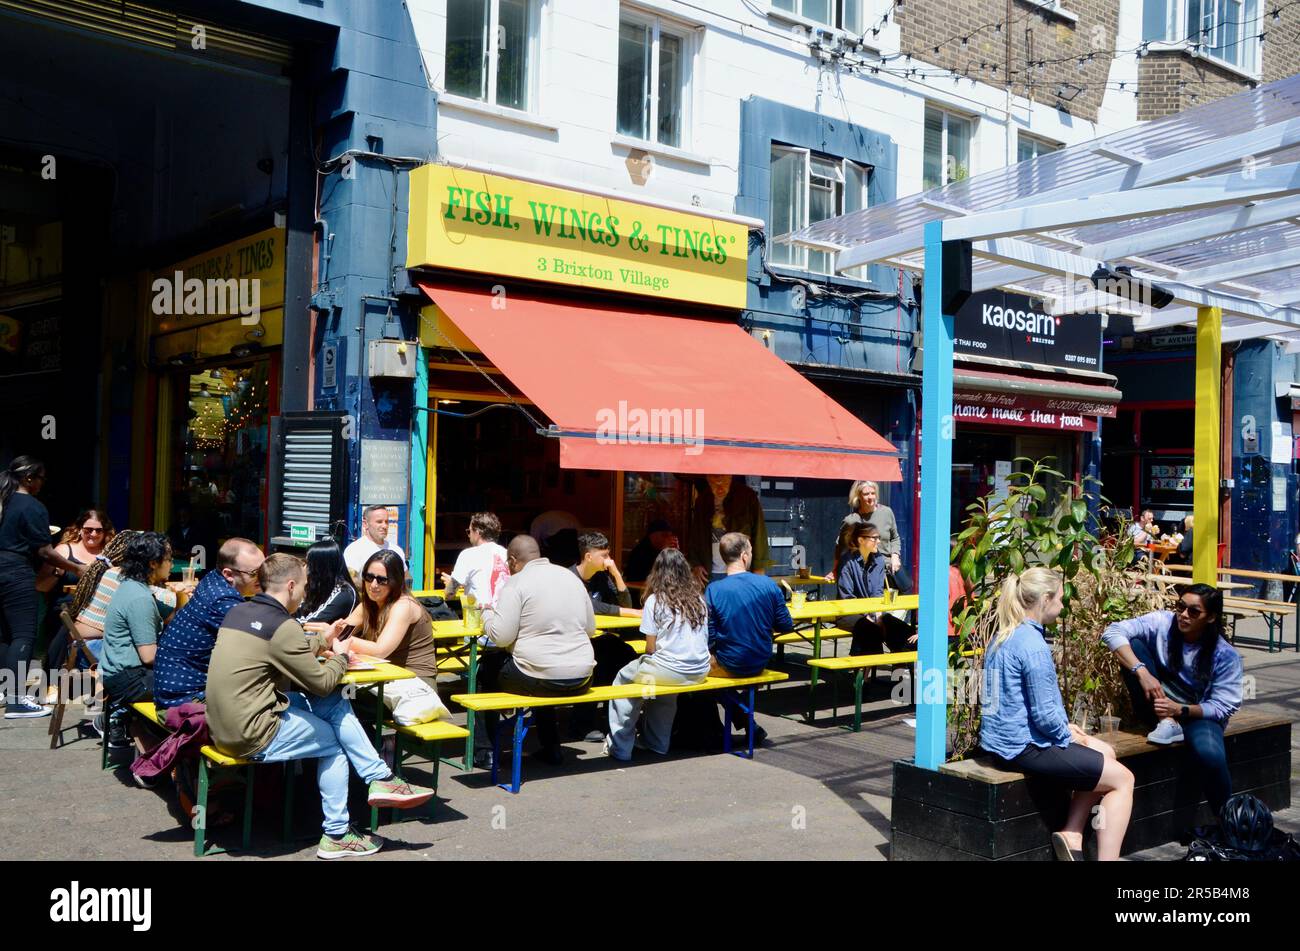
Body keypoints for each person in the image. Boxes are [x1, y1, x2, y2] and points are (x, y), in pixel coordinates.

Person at [204, 553, 435, 859]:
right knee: (334, 740)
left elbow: (292, 650)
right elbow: (323, 680)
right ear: (289, 586)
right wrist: (339, 654)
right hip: (250, 732)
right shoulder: (282, 626)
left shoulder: (239, 612)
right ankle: (339, 833)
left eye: (382, 579)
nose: (306, 592)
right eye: (304, 585)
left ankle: (381, 779)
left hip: (221, 724)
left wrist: (325, 639)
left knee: (333, 702)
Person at [979, 567, 1134, 861]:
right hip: (1024, 747)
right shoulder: (1033, 645)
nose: (1063, 606)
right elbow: (1044, 714)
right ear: (1045, 599)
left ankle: (1072, 833)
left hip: (1002, 743)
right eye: (1061, 599)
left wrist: (1066, 730)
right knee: (1124, 780)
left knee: (1106, 752)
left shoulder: (1003, 636)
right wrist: (1067, 733)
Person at [1102, 583, 1243, 817]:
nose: (1184, 615)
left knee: (1210, 754)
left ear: (1210, 618)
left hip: (1196, 714)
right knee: (1133, 646)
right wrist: (1142, 672)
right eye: (1181, 607)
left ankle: (1228, 821)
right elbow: (1112, 632)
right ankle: (1166, 722)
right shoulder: (1163, 622)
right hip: (1156, 706)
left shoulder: (1225, 655)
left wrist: (1180, 710)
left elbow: (1223, 707)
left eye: (1193, 612)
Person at [473, 535, 596, 769]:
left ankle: (484, 751)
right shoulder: (570, 578)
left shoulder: (517, 583)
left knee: (486, 670)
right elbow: (590, 629)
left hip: (541, 679)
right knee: (539, 669)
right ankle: (552, 748)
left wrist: (487, 614)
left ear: (512, 561)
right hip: (582, 677)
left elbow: (500, 637)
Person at [604, 548, 711, 761]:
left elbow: (650, 648)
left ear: (658, 572)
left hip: (669, 669)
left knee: (623, 679)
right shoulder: (698, 599)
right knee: (664, 693)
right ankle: (658, 743)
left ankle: (620, 746)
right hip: (700, 670)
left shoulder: (655, 600)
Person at [0, 457, 84, 718]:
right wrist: (76, 568)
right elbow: (45, 551)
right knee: (23, 634)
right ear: (29, 478)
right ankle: (16, 701)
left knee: (4, 633)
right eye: (40, 478)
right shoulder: (32, 506)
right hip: (15, 572)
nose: (41, 483)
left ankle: (5, 689)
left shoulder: (4, 500)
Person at [152, 538, 264, 710]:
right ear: (228, 574)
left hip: (173, 690)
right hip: (186, 700)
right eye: (255, 573)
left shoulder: (212, 579)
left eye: (265, 570)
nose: (263, 578)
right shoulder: (223, 599)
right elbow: (263, 641)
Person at [704, 533, 793, 745]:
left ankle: (731, 727)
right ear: (744, 556)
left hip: (729, 661)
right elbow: (786, 625)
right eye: (751, 551)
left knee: (696, 675)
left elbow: (709, 634)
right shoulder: (768, 585)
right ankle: (747, 723)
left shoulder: (713, 589)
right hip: (761, 658)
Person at [330, 550, 443, 714]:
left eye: (382, 580)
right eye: (369, 577)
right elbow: (342, 630)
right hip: (383, 680)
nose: (373, 585)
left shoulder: (404, 606)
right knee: (336, 694)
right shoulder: (369, 604)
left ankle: (368, 739)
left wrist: (344, 640)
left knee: (344, 700)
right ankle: (368, 739)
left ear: (395, 582)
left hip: (414, 686)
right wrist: (330, 634)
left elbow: (380, 651)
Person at [99, 532, 172, 706]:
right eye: (169, 559)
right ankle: (118, 720)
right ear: (153, 563)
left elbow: (170, 616)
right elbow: (148, 656)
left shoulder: (131, 585)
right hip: (128, 679)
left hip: (116, 673)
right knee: (193, 683)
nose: (172, 565)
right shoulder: (140, 598)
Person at [835, 523, 916, 655]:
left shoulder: (878, 559)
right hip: (848, 613)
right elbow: (847, 597)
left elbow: (877, 592)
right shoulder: (847, 561)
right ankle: (861, 672)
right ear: (861, 540)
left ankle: (899, 664)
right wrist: (869, 616)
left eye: (879, 537)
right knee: (870, 629)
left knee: (901, 630)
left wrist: (877, 614)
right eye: (874, 538)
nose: (878, 541)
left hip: (874, 611)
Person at [688, 475, 770, 586]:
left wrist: (759, 569)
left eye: (724, 483)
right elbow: (695, 536)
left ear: (730, 477)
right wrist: (695, 564)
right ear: (708, 479)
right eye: (716, 484)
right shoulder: (703, 500)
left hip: (740, 571)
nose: (720, 488)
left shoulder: (746, 497)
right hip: (709, 574)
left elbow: (759, 534)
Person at [841, 480, 909, 591]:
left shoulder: (886, 512)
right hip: (865, 573)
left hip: (889, 571)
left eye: (873, 493)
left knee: (895, 605)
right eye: (866, 494)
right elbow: (841, 546)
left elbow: (895, 538)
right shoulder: (852, 520)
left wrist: (895, 556)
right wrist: (835, 569)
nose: (870, 497)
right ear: (858, 497)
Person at [441, 511, 509, 609]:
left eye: (469, 531)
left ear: (477, 532)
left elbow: (449, 594)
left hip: (478, 619)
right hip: (503, 617)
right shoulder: (506, 553)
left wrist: (451, 584)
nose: (469, 536)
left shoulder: (468, 555)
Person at [572, 531, 638, 617]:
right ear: (588, 557)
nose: (610, 559)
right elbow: (586, 604)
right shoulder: (569, 577)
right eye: (605, 555)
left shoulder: (602, 576)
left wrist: (617, 575)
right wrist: (628, 612)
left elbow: (626, 606)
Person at [295, 539, 358, 625]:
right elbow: (300, 610)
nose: (305, 568)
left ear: (321, 567)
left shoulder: (344, 594)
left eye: (309, 564)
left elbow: (311, 623)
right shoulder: (320, 585)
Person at [343, 505, 407, 579]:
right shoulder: (354, 550)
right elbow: (350, 580)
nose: (384, 526)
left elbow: (406, 577)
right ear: (365, 524)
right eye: (379, 522)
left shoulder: (396, 550)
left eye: (386, 522)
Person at [625, 519, 678, 584]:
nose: (668, 539)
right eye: (664, 535)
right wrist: (665, 553)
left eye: (670, 536)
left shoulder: (660, 549)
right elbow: (652, 575)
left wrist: (675, 554)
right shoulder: (640, 552)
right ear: (653, 535)